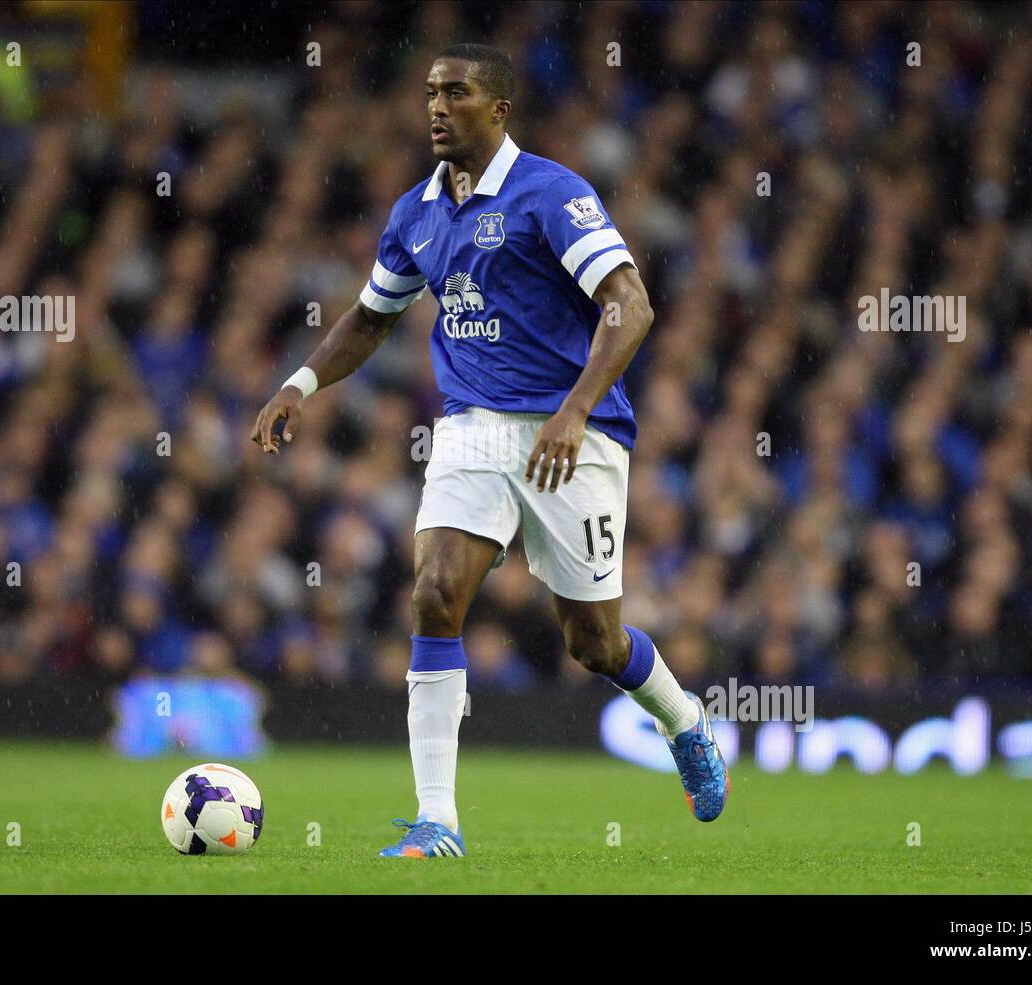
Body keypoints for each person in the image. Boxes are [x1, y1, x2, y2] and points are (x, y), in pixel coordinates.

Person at [252, 44, 727, 859]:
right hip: (471, 427)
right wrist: (299, 381)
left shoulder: (551, 193)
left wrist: (575, 412)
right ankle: (438, 819)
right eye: (431, 92)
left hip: (572, 435)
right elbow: (371, 317)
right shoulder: (415, 213)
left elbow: (631, 304)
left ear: (498, 109)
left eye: (457, 93)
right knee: (436, 592)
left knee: (594, 643)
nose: (437, 106)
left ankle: (684, 721)